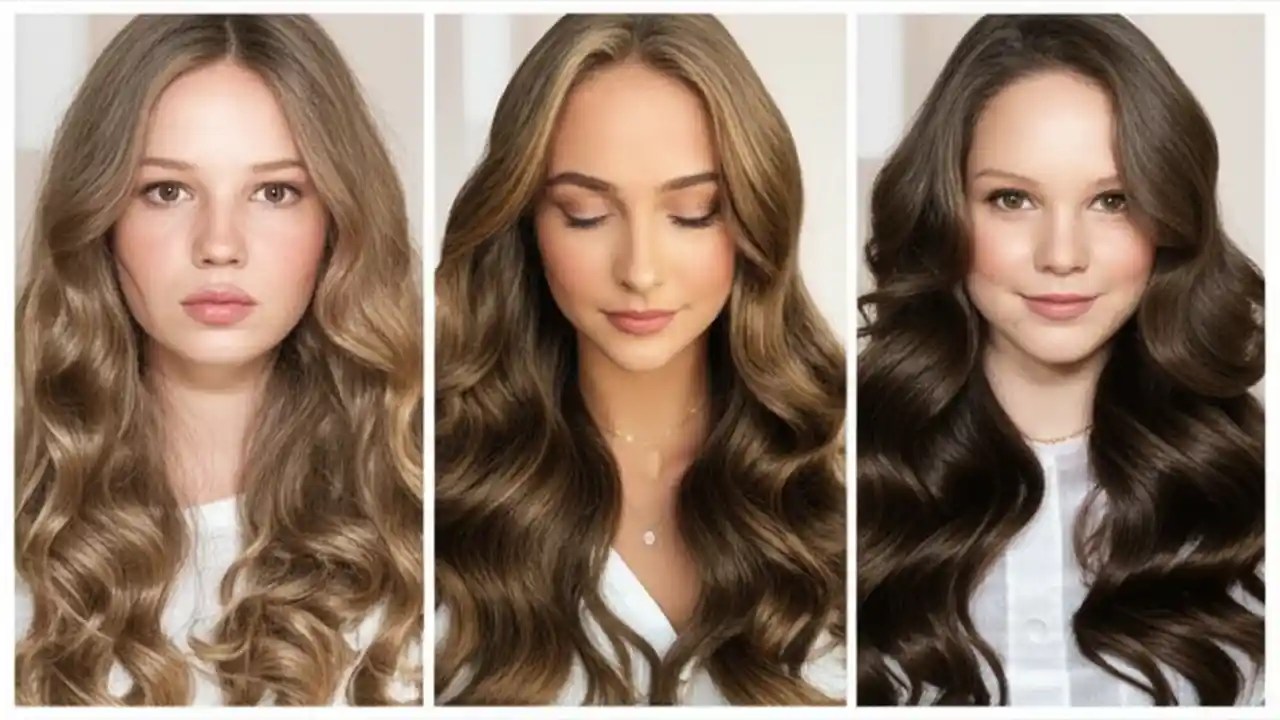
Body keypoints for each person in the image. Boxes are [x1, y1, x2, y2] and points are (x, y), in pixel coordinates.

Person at [435, 13, 846, 706]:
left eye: (692, 213)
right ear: (526, 223)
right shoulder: (441, 491)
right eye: (586, 214)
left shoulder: (849, 482)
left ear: (755, 218)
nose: (641, 270)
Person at [857, 14, 1264, 706]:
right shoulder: (853, 473)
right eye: (1012, 199)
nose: (1062, 254)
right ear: (945, 210)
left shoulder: (1245, 492)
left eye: (1112, 200)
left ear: (1168, 218)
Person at [15, 15, 423, 706]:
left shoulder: (429, 531)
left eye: (275, 192)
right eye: (167, 191)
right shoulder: (25, 540)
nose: (219, 244)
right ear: (101, 219)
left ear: (338, 225)